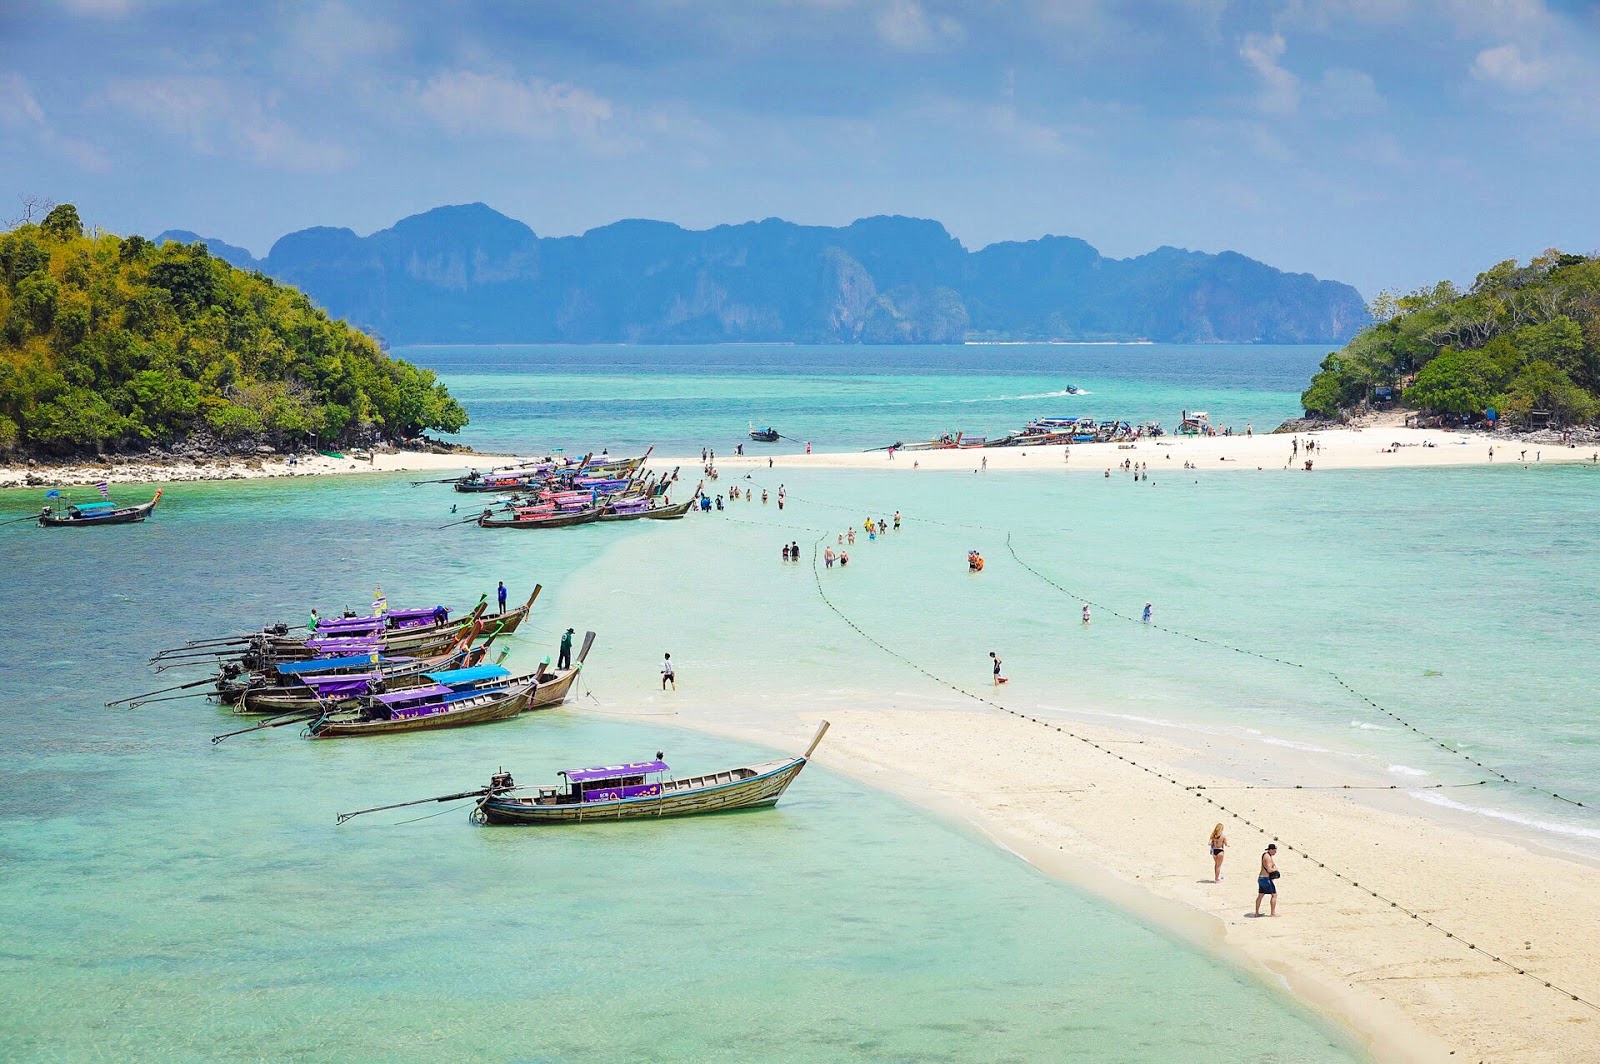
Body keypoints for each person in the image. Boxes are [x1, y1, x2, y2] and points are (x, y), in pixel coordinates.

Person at [1255, 844, 1279, 916]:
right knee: (1274, 895)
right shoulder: (1268, 857)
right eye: (1275, 850)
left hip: (1261, 878)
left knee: (1261, 895)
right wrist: (1275, 869)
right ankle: (1273, 913)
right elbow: (1269, 869)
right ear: (1271, 850)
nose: (1275, 852)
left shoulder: (1265, 855)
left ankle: (1257, 913)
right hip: (1266, 879)